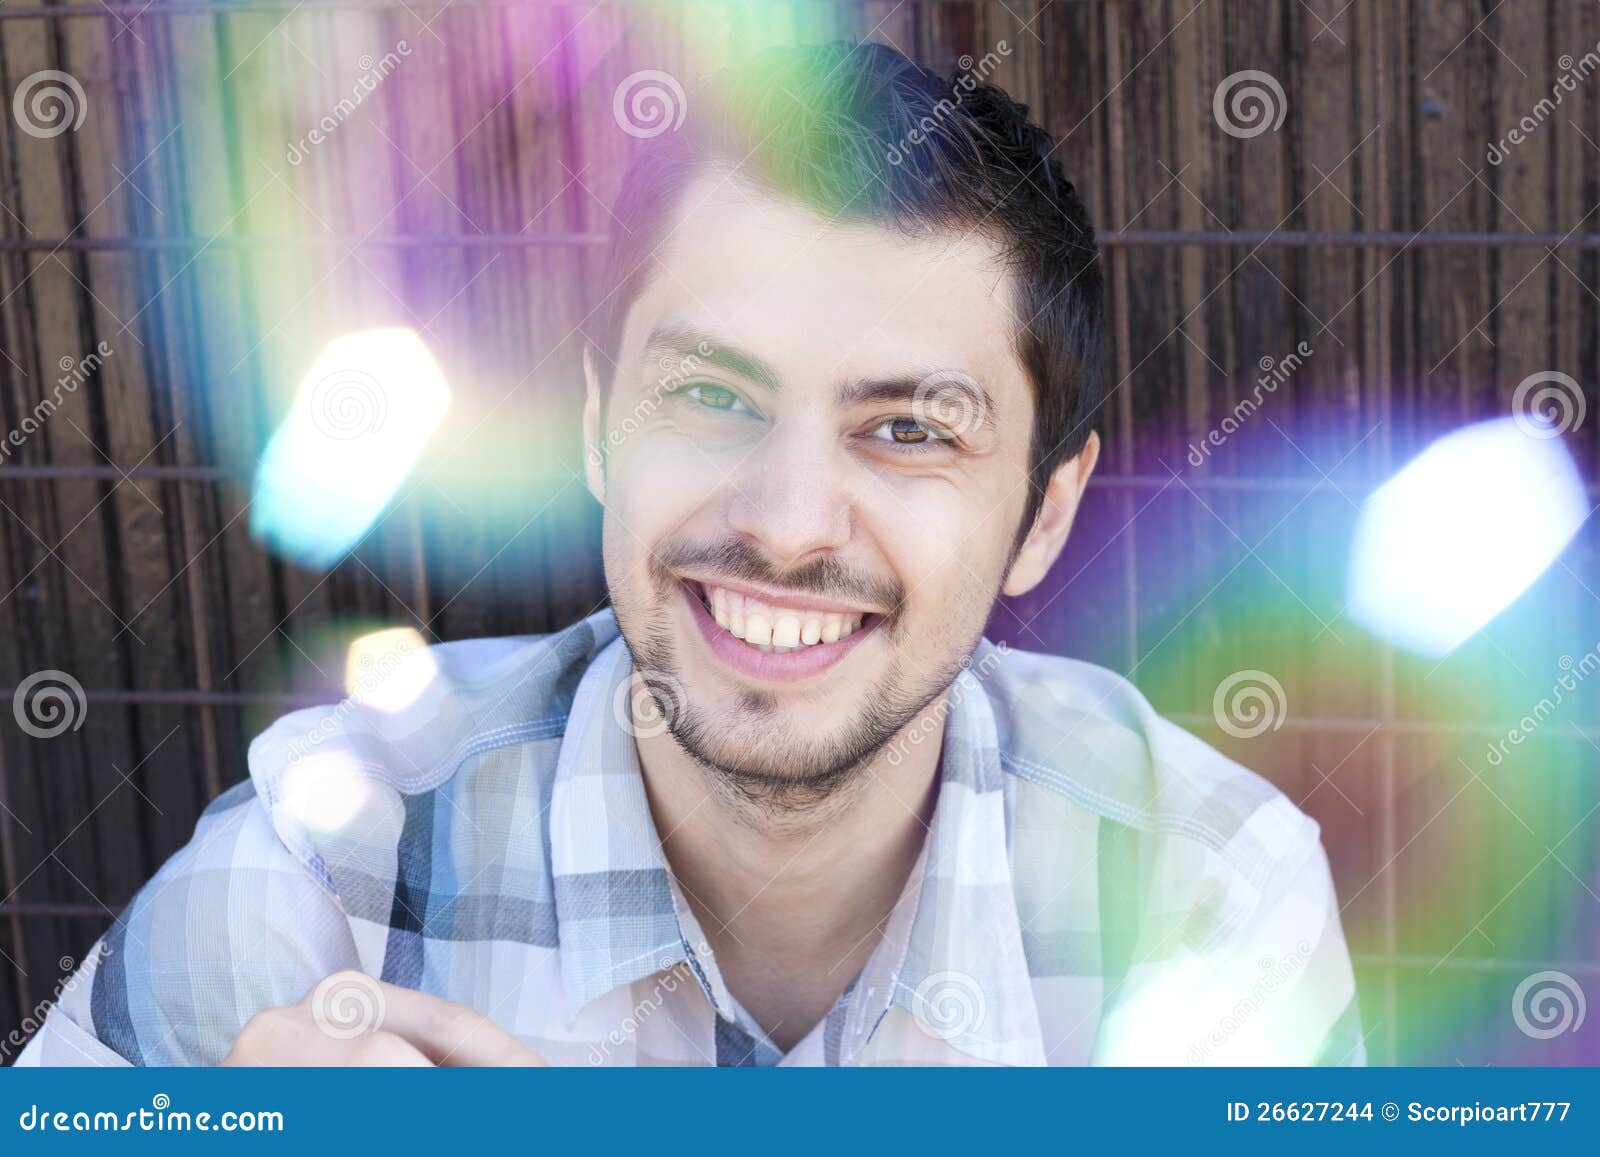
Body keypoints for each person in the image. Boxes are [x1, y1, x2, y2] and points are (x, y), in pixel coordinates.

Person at [19, 39, 1361, 1067]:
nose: (785, 521)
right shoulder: (311, 886)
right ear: (602, 425)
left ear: (1046, 514)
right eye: (713, 398)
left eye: (905, 428)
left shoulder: (1209, 892)